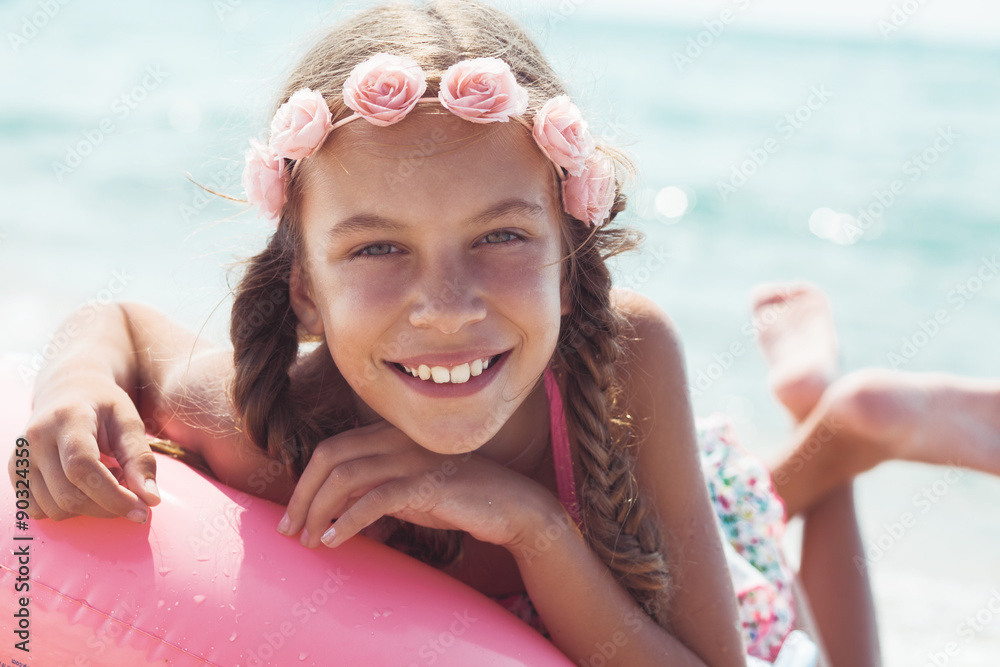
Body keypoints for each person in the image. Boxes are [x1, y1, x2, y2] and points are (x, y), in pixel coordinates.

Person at [9, 2, 1000, 665]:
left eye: (498, 235)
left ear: (570, 253)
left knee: (791, 599)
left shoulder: (628, 351)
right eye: (375, 249)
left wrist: (531, 526)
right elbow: (125, 327)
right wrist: (72, 377)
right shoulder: (277, 426)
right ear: (302, 290)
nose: (445, 304)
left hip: (648, 501)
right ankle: (832, 414)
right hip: (649, 500)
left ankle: (851, 419)